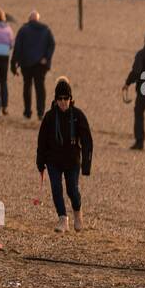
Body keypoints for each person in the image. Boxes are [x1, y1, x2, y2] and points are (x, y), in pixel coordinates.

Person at [36, 77, 93, 233]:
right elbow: (41, 141)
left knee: (72, 190)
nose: (63, 102)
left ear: (70, 99)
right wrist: (40, 162)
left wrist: (86, 166)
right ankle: (62, 218)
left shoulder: (78, 116)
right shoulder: (49, 117)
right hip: (53, 160)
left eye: (66, 98)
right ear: (55, 100)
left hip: (72, 161)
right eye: (60, 99)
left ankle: (77, 213)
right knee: (56, 188)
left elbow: (88, 141)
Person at [12, 10, 56, 120]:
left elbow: (17, 47)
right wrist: (46, 58)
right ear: (38, 19)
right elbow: (52, 44)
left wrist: (14, 63)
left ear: (29, 19)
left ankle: (27, 112)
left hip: (26, 63)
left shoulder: (23, 30)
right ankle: (40, 112)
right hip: (40, 65)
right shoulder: (46, 30)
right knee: (40, 87)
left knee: (27, 86)